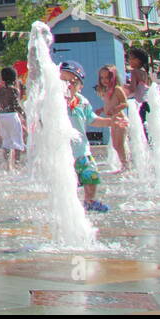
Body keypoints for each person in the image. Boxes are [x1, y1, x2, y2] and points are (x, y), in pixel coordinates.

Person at [60, 61, 116, 212]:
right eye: (63, 80)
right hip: (62, 152)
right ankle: (67, 204)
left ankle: (89, 200)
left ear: (80, 86)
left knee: (91, 175)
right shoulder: (55, 101)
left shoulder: (82, 102)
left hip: (81, 150)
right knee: (66, 179)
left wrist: (111, 122)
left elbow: (93, 120)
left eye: (73, 81)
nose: (68, 85)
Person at [0, 66, 26, 169]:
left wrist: (1, 112)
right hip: (12, 116)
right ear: (14, 78)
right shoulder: (14, 90)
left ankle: (7, 165)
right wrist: (24, 115)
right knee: (17, 140)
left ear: (2, 78)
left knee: (6, 141)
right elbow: (16, 105)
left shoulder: (0, 91)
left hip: (3, 117)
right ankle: (17, 163)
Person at [97, 64, 129, 172]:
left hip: (120, 120)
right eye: (102, 78)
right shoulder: (106, 91)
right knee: (116, 145)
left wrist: (116, 109)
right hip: (113, 121)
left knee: (119, 144)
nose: (104, 80)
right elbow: (108, 104)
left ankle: (126, 165)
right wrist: (102, 109)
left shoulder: (117, 89)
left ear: (113, 77)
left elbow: (125, 103)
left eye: (107, 77)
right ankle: (124, 164)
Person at [126, 47, 152, 125]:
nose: (129, 61)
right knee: (146, 126)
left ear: (138, 60)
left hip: (139, 105)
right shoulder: (145, 72)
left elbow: (132, 90)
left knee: (139, 127)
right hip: (147, 103)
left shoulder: (135, 72)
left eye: (131, 58)